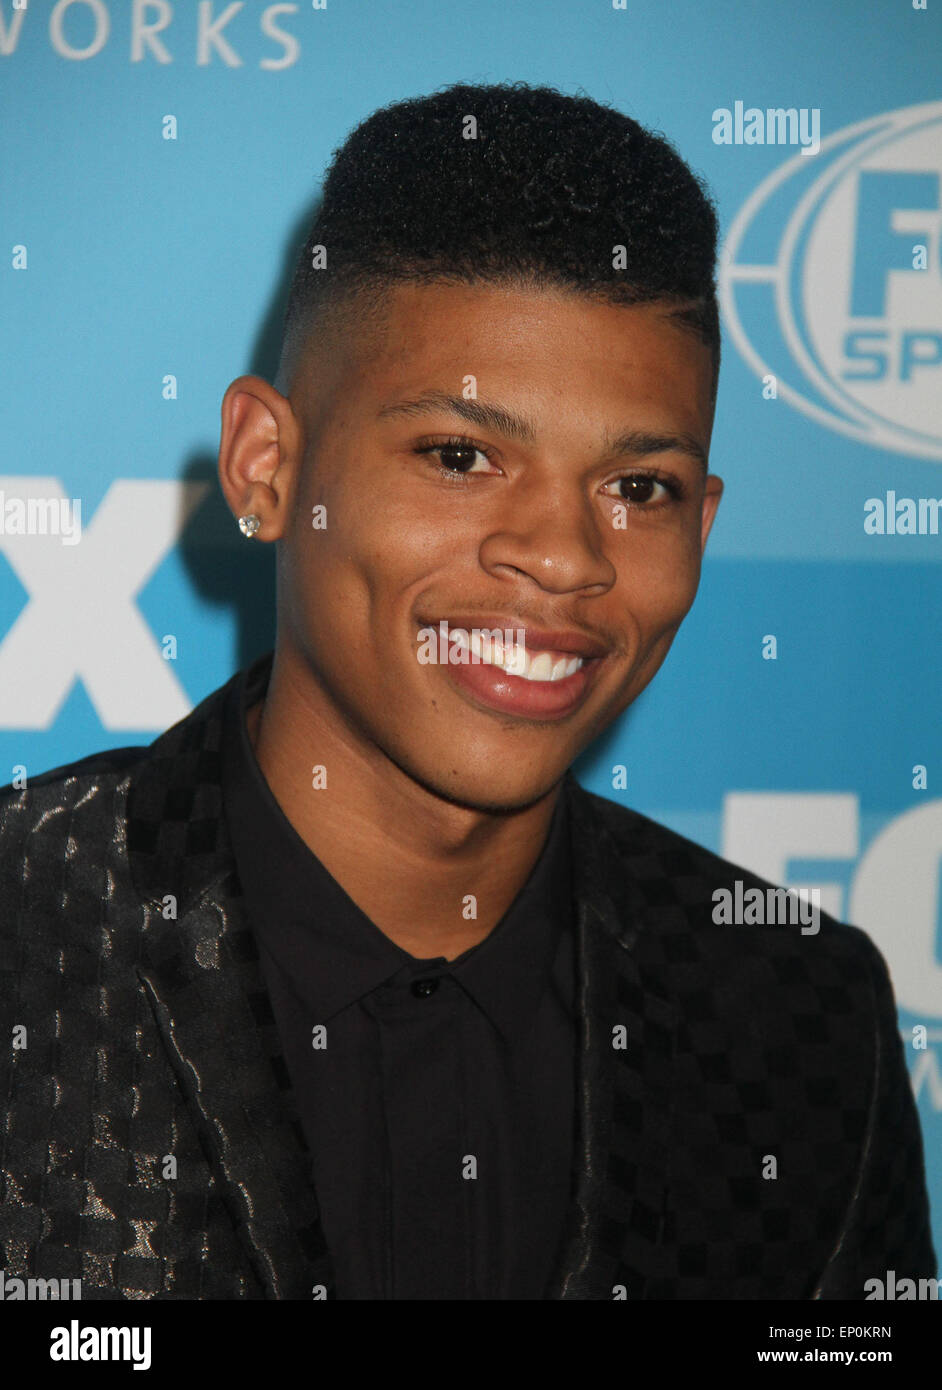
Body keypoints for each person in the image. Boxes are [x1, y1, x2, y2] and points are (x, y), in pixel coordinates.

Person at [0, 82, 934, 1301]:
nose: (564, 555)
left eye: (638, 487)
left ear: (704, 523)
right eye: (460, 456)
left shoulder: (803, 1015)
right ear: (266, 467)